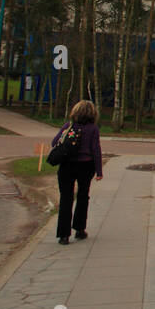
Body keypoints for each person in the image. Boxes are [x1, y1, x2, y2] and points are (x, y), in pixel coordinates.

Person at [53, 99, 103, 245]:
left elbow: (54, 142)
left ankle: (63, 235)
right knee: (82, 196)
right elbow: (96, 150)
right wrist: (99, 170)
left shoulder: (69, 126)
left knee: (66, 199)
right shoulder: (93, 129)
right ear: (93, 114)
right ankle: (80, 229)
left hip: (67, 165)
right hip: (85, 166)